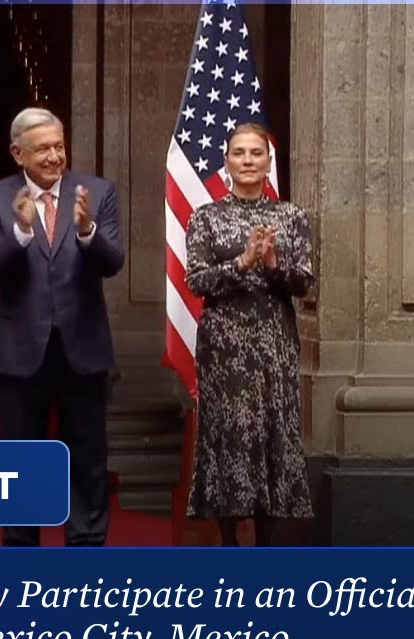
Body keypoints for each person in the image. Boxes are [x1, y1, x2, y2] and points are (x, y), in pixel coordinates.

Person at [0, 107, 124, 547]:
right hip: (21, 353)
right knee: (22, 466)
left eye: (59, 146)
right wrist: (20, 232)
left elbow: (113, 262)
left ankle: (85, 558)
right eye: (43, 149)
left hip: (83, 349)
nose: (54, 157)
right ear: (17, 153)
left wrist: (87, 231)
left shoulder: (97, 192)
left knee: (88, 462)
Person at [184, 122, 314, 547]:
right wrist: (241, 262)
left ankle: (266, 544)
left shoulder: (290, 217)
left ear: (268, 162)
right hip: (224, 346)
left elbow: (304, 283)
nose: (247, 160)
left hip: (273, 343)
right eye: (238, 153)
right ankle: (228, 541)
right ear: (226, 162)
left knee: (272, 433)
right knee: (228, 435)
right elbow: (196, 281)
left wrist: (273, 261)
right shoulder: (206, 217)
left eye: (255, 153)